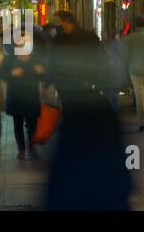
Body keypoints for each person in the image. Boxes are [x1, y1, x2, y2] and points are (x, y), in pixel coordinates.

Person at [44, 12, 130, 211]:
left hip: (82, 86)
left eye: (59, 22)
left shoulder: (86, 37)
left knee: (75, 121)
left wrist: (90, 79)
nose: (57, 25)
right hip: (67, 85)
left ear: (67, 21)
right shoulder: (63, 39)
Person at [0, 46, 46, 161]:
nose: (24, 56)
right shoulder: (9, 60)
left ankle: (32, 148)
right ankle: (21, 150)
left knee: (32, 125)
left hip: (31, 98)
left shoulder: (36, 59)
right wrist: (11, 74)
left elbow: (46, 77)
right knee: (17, 124)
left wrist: (42, 71)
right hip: (16, 98)